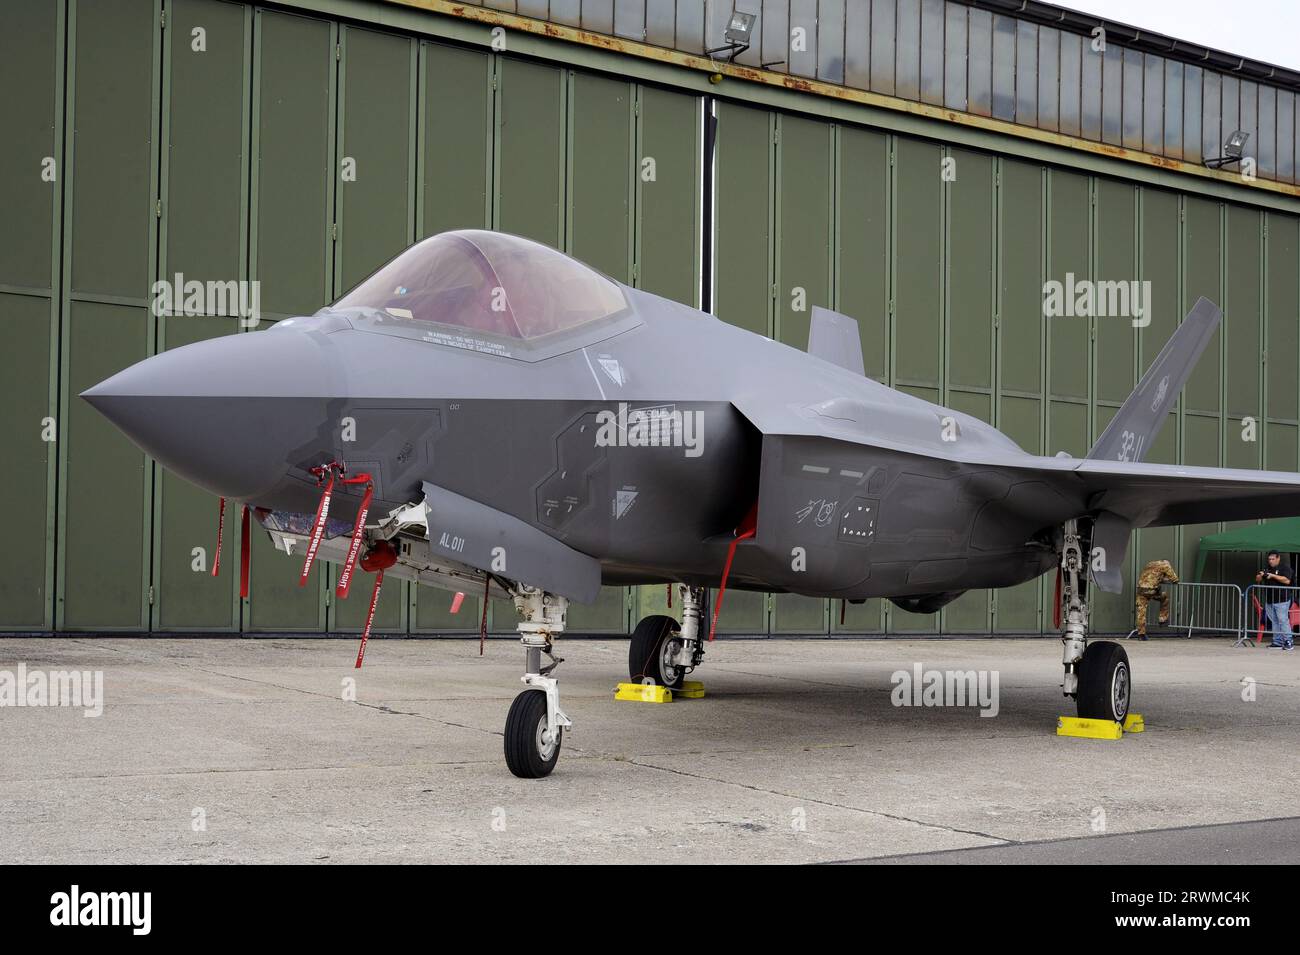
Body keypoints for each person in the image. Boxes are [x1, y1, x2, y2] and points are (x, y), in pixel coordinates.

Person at [1255, 551, 1295, 650]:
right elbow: (1257, 579)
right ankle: (1277, 642)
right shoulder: (1267, 568)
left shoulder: (1284, 568)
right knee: (1274, 621)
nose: (1271, 561)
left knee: (1283, 620)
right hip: (1270, 599)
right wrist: (1261, 575)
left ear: (1278, 558)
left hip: (1282, 599)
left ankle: (1288, 641)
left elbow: (1287, 580)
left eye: (1273, 559)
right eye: (1269, 559)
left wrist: (1273, 576)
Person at [1134, 559, 1179, 640]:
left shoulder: (1150, 564)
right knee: (1164, 597)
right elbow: (1174, 579)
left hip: (1141, 589)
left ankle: (1141, 634)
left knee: (1141, 611)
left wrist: (1161, 578)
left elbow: (1151, 575)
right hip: (1151, 589)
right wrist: (1169, 579)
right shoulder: (1165, 565)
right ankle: (1163, 619)